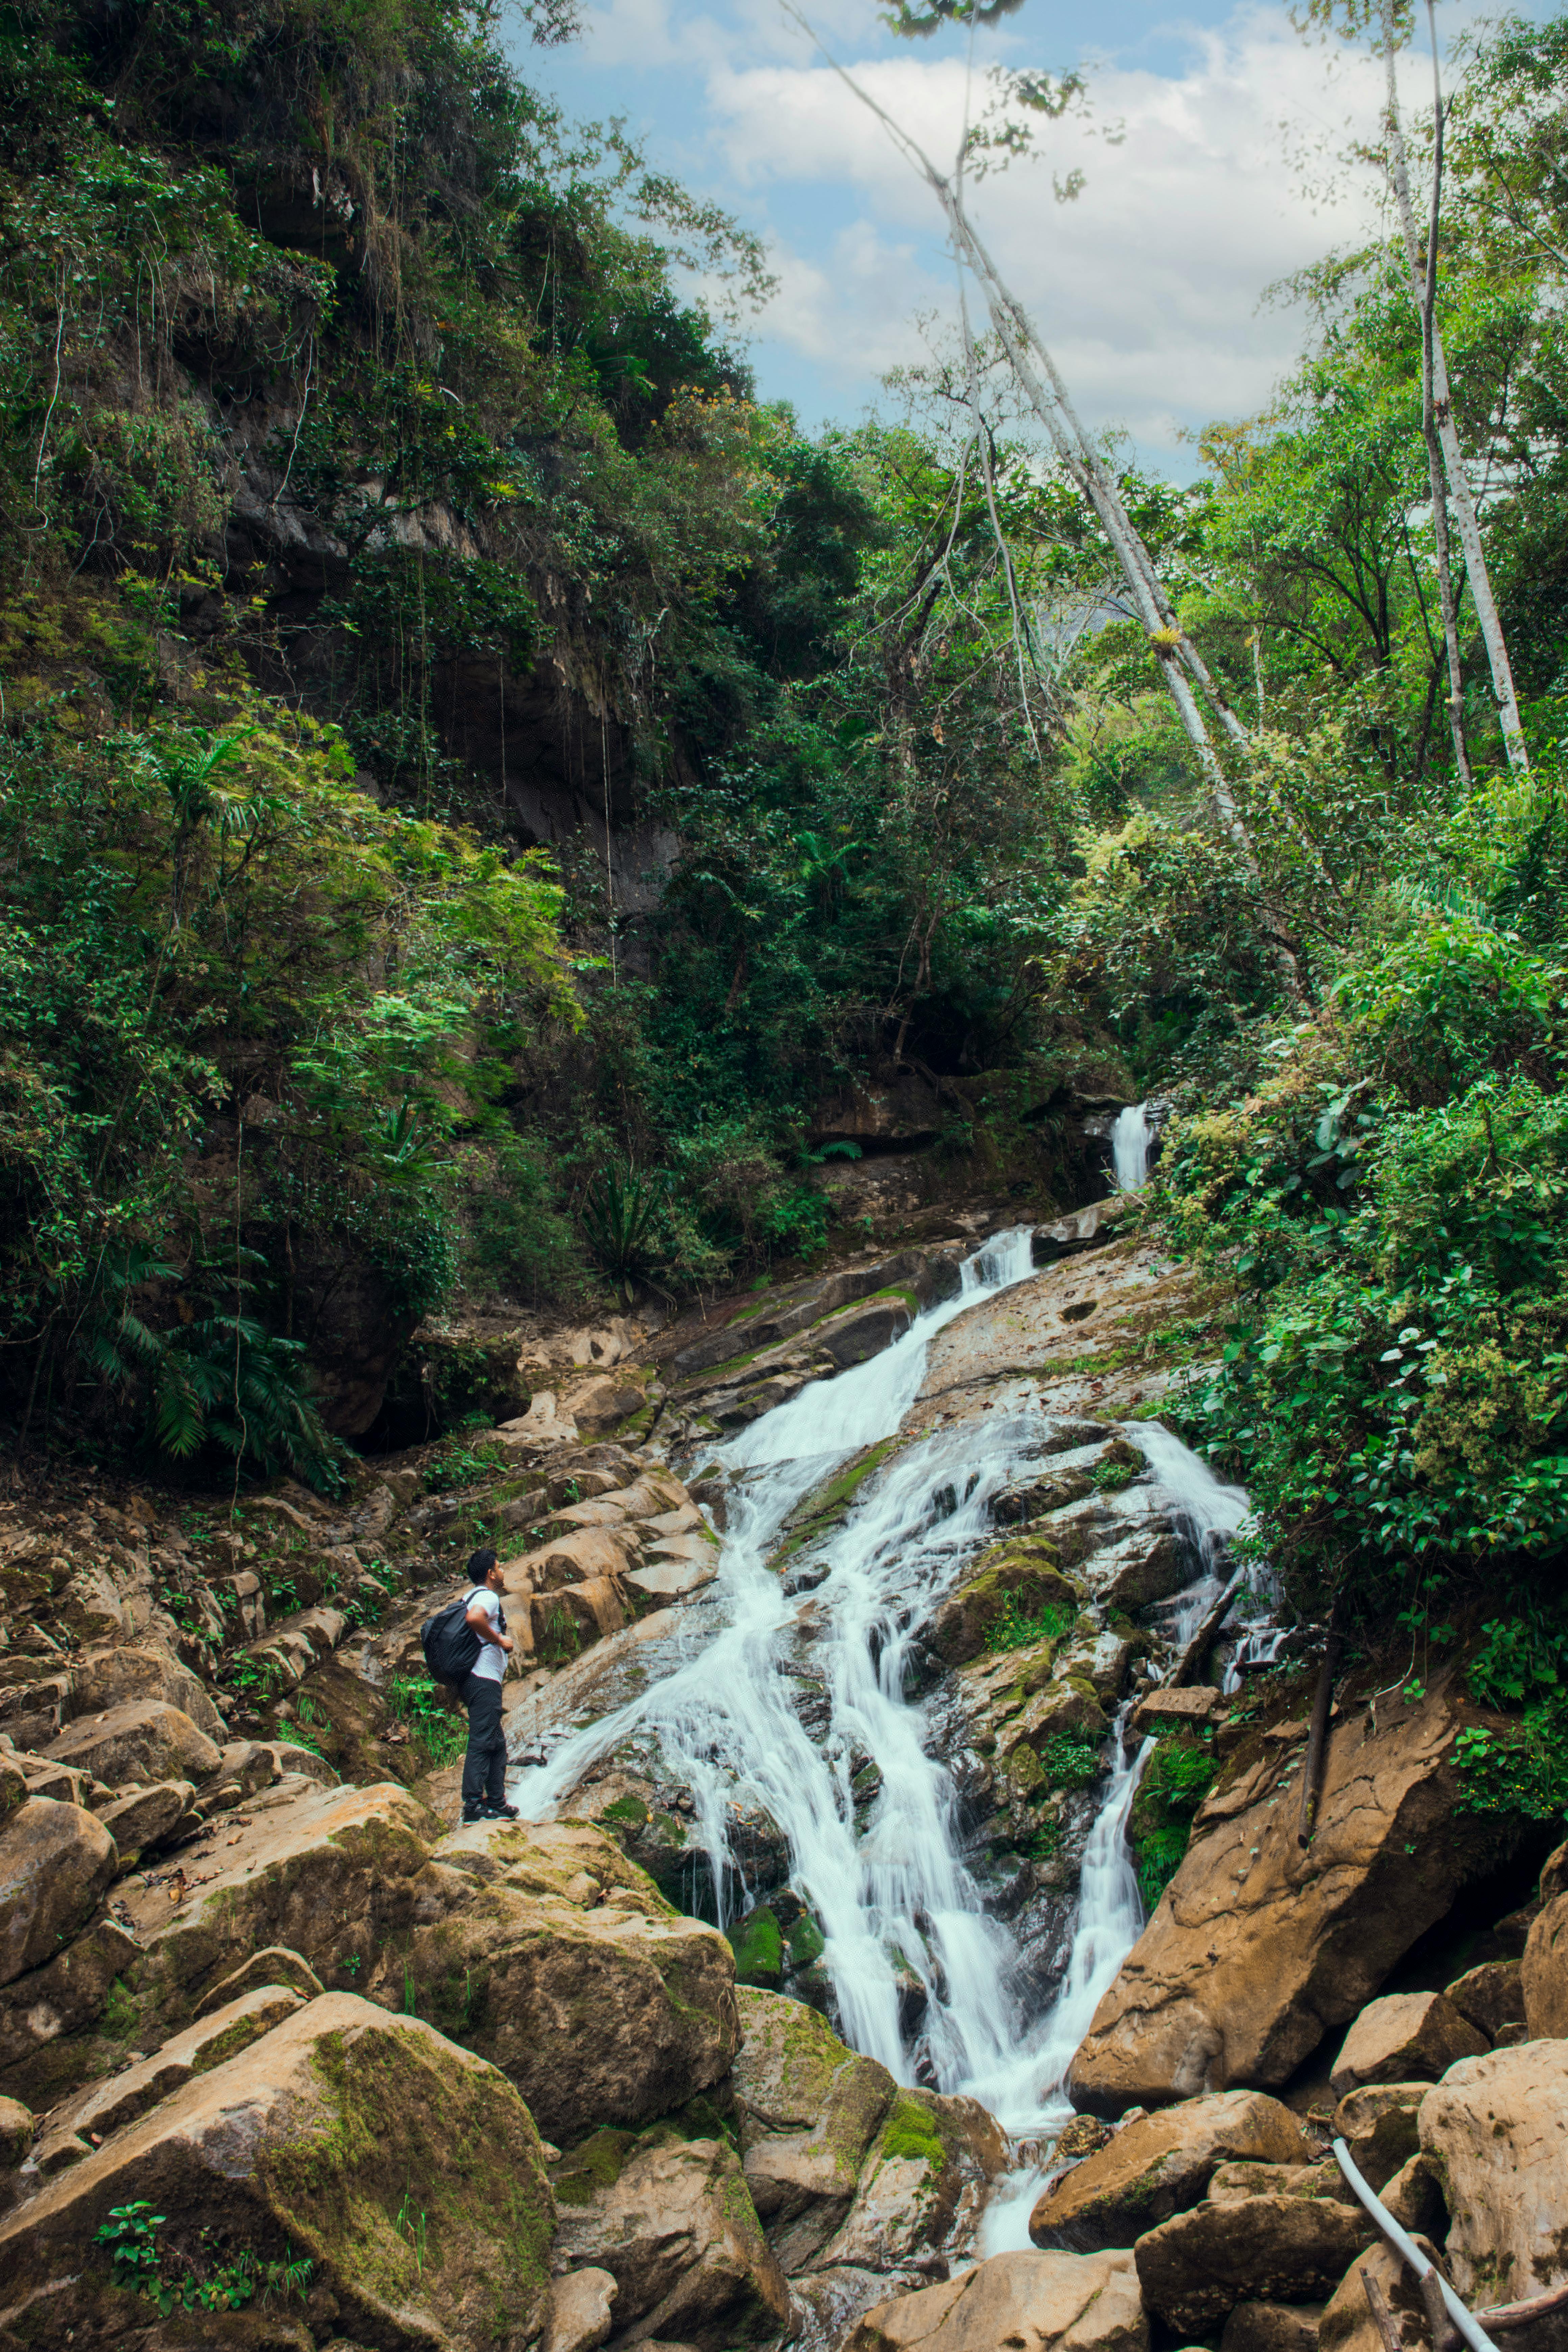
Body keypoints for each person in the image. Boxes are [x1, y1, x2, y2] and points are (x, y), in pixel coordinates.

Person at [459, 1549, 518, 1824]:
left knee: (496, 1743)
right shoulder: (487, 1596)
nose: (503, 1570)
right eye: (499, 1566)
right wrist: (499, 1640)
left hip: (477, 1679)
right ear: (490, 1574)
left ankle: (496, 1802)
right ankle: (472, 1807)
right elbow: (474, 1620)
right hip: (482, 1678)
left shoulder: (469, 1597)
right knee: (483, 1741)